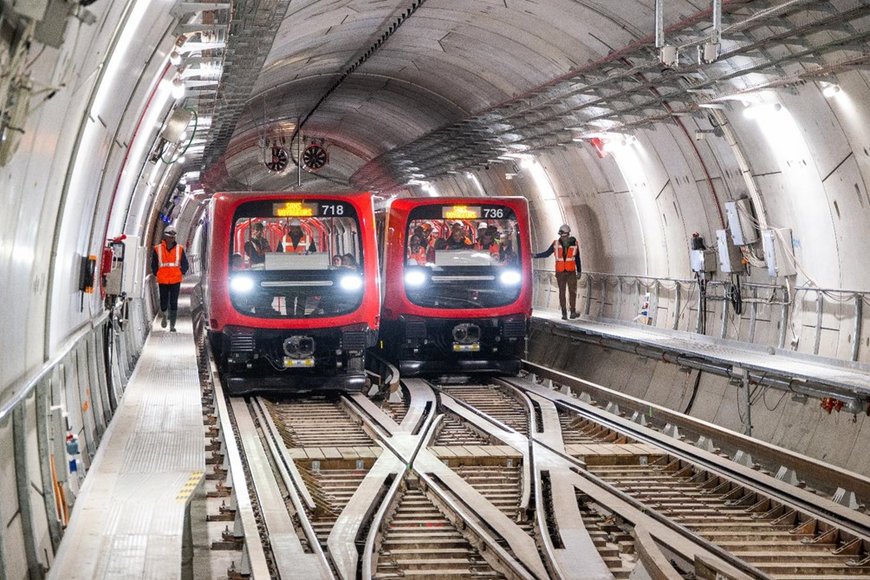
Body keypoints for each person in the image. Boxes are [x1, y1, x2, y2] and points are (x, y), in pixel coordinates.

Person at [534, 224, 581, 320]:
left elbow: (546, 254)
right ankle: (572, 312)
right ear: (568, 233)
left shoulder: (556, 243)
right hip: (570, 271)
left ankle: (564, 313)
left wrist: (535, 255)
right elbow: (577, 259)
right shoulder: (574, 243)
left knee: (562, 292)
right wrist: (579, 271)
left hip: (561, 272)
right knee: (572, 292)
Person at [151, 227, 189, 332]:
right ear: (165, 237)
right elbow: (154, 264)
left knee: (173, 302)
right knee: (163, 301)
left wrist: (181, 272)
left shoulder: (179, 249)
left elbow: (185, 264)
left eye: (173, 237)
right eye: (169, 237)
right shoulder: (157, 249)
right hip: (163, 279)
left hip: (175, 279)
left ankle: (172, 325)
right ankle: (164, 314)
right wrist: (156, 273)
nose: (171, 239)